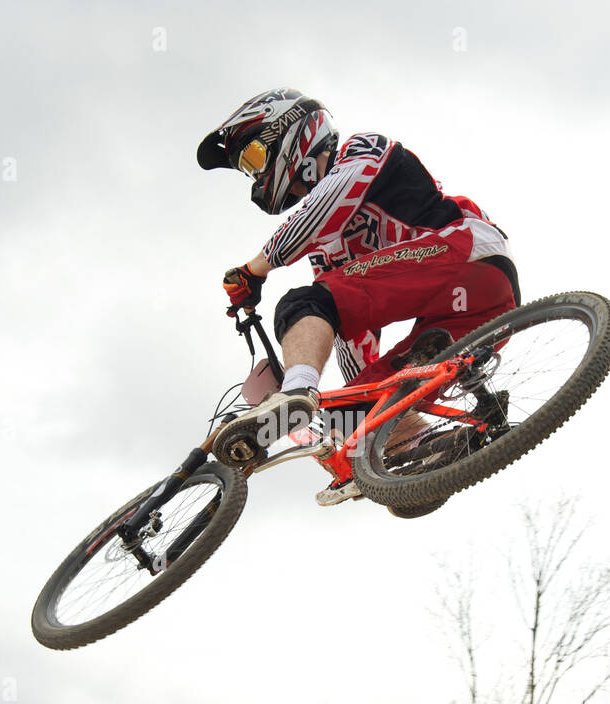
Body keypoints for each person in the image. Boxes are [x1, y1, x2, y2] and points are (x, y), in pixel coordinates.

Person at [197, 88, 520, 504]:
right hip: (475, 309)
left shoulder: (362, 149)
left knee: (303, 303)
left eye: (255, 158)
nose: (258, 175)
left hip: (466, 251)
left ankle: (296, 393)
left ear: (292, 131)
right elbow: (354, 339)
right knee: (359, 410)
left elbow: (327, 204)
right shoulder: (330, 255)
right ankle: (433, 454)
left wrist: (255, 269)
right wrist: (357, 414)